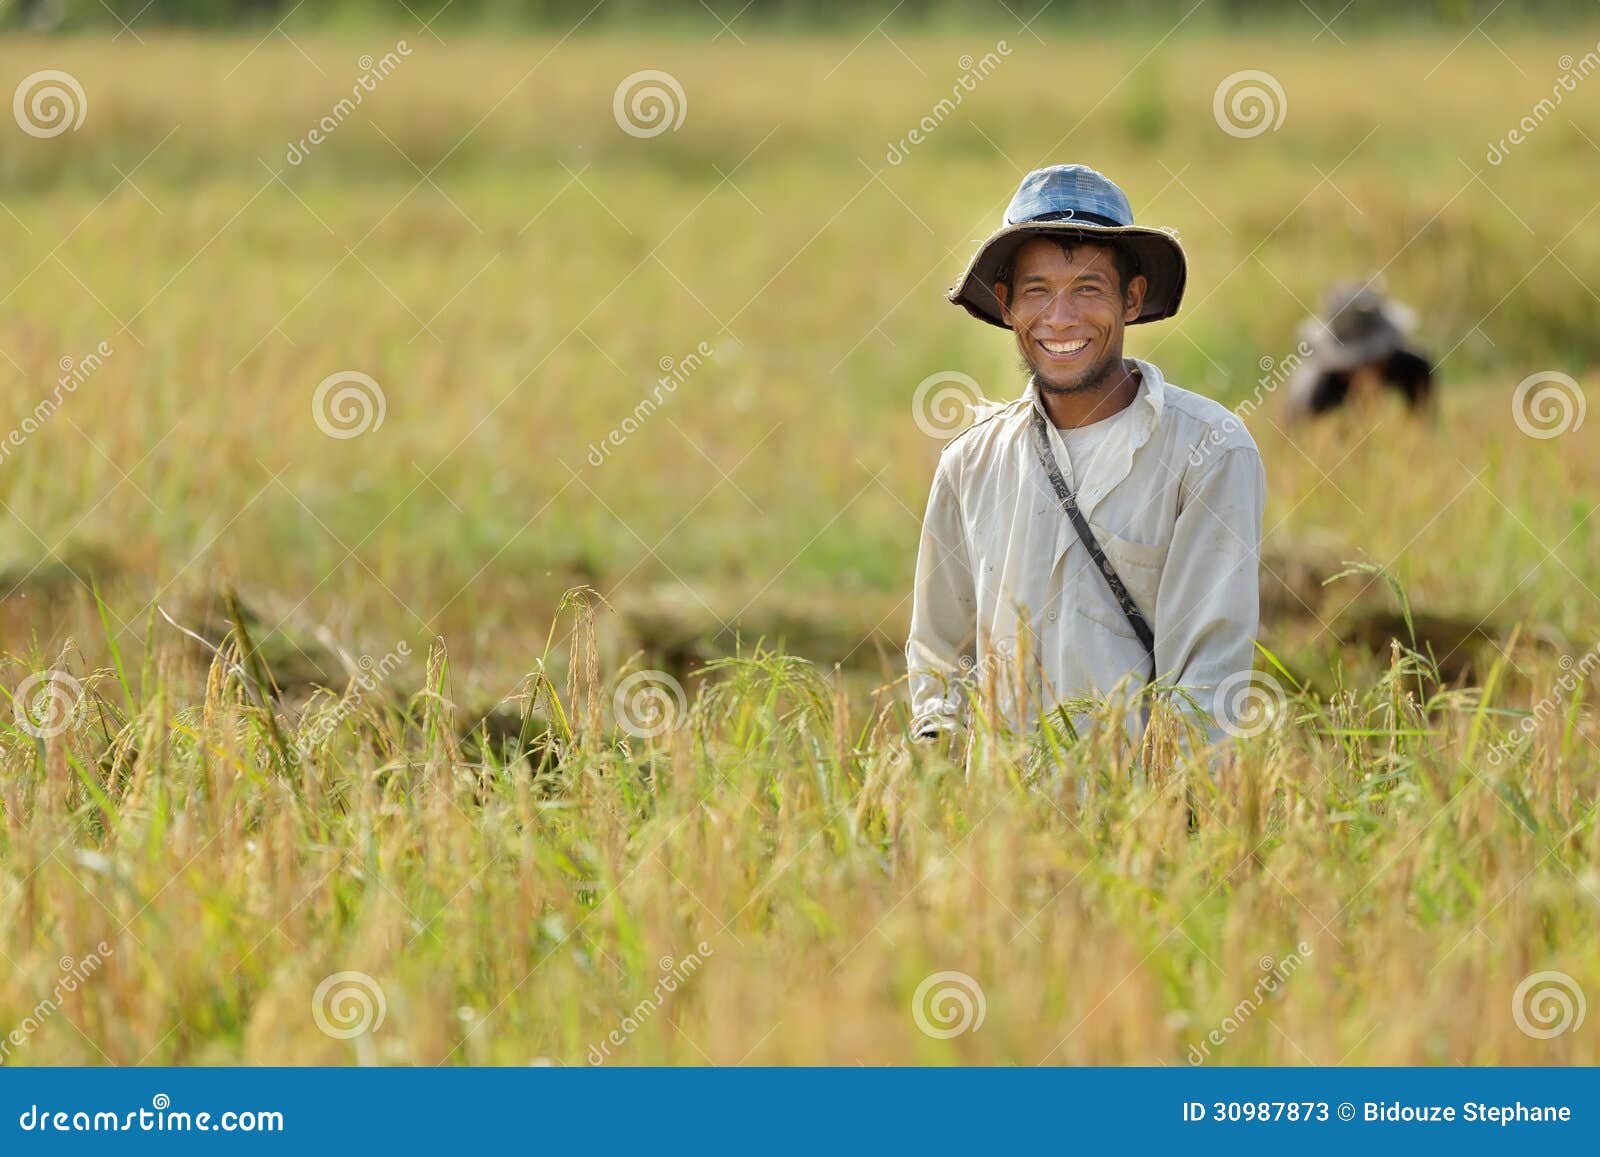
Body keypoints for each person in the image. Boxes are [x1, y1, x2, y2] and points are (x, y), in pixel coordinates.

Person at [907, 164, 1266, 748]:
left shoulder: (1209, 451)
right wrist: (940, 792)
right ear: (1006, 306)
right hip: (1000, 823)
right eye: (1037, 292)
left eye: (1088, 290)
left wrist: (1168, 824)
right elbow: (940, 660)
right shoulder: (970, 464)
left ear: (1132, 298)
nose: (1061, 319)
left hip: (1139, 818)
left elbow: (1207, 680)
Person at [1282, 282, 1434, 421]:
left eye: (1374, 358)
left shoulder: (1414, 370)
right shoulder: (1314, 392)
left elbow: (1426, 422)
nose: (1367, 367)